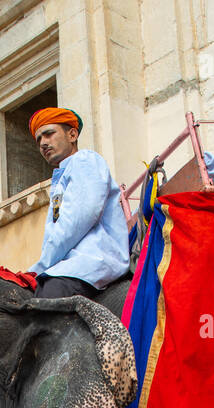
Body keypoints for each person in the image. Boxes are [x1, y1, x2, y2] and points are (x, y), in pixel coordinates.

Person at [27, 107, 130, 300]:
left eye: (49, 134)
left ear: (72, 134)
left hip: (91, 261)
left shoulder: (85, 160)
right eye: (39, 139)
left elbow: (79, 218)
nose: (43, 143)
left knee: (47, 301)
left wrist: (40, 266)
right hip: (70, 266)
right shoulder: (62, 177)